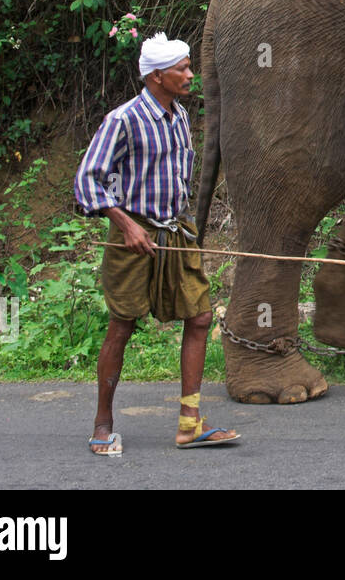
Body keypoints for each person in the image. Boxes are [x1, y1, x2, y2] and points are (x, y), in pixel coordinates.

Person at [74, 32, 239, 455]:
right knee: (122, 325)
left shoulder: (180, 116)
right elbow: (87, 181)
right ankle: (102, 424)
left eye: (189, 66)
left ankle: (189, 423)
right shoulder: (123, 120)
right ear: (156, 76)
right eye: (181, 69)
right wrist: (126, 225)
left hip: (175, 235)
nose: (190, 75)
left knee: (200, 318)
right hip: (134, 238)